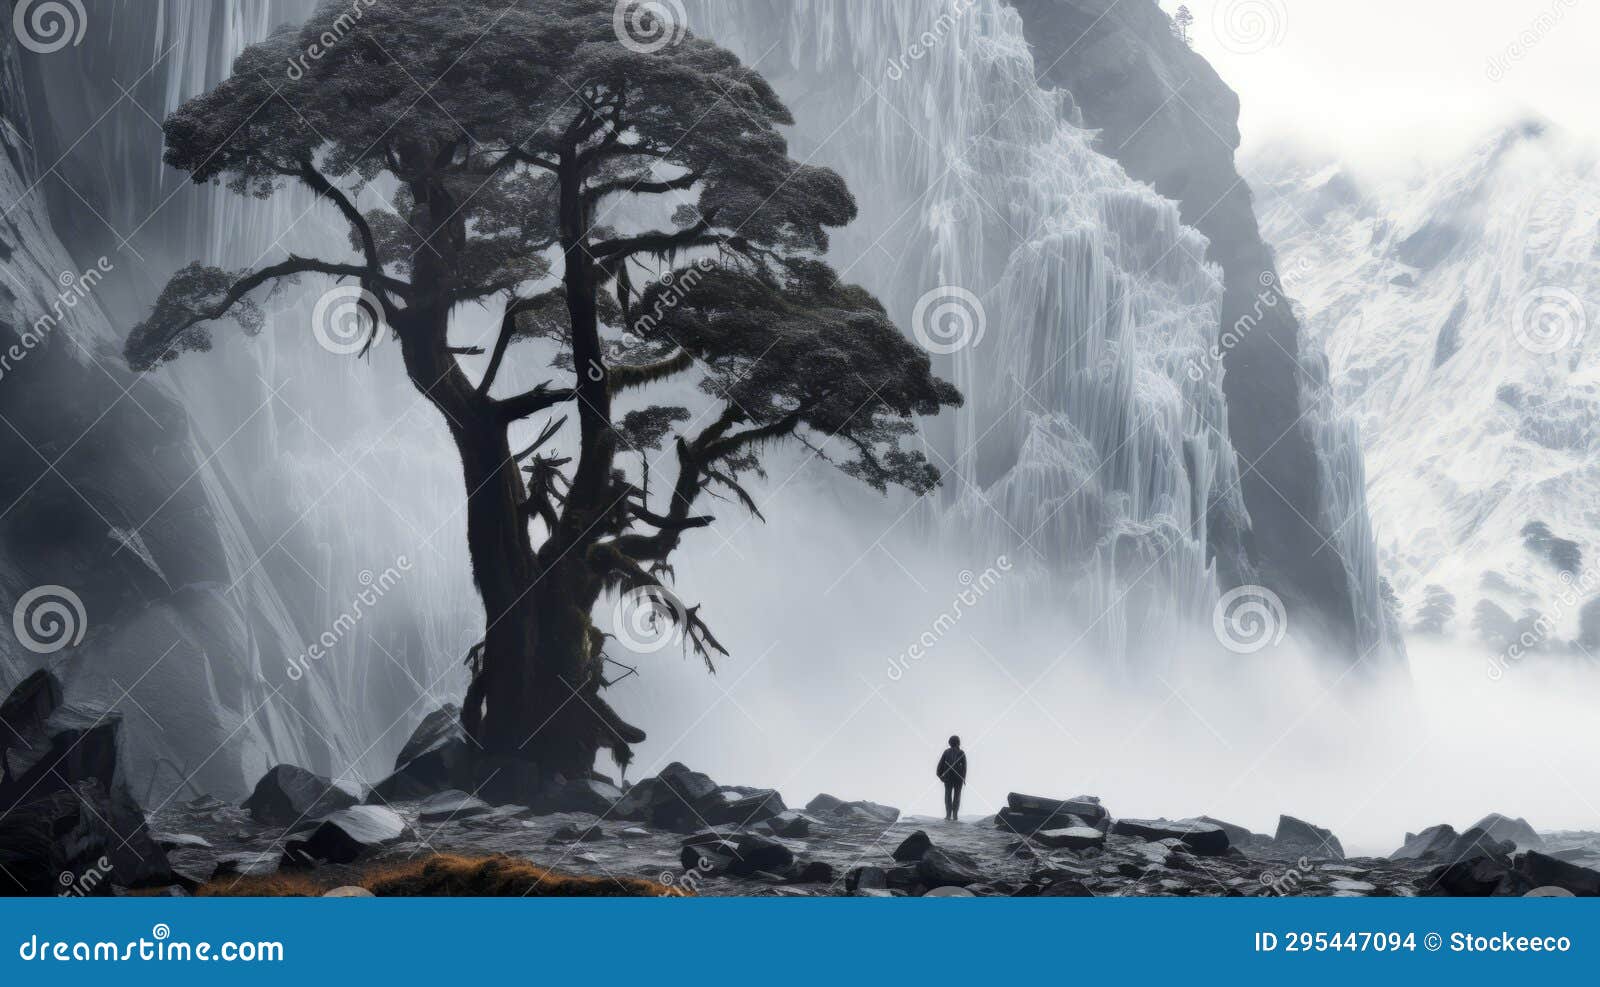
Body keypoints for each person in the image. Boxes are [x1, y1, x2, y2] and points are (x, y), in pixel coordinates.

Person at [935, 735, 967, 821]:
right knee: (955, 796)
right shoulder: (960, 752)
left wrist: (939, 774)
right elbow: (964, 767)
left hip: (951, 777)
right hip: (956, 778)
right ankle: (953, 815)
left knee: (948, 796)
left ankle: (950, 815)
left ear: (950, 742)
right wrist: (963, 777)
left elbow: (940, 765)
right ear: (958, 742)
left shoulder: (949, 752)